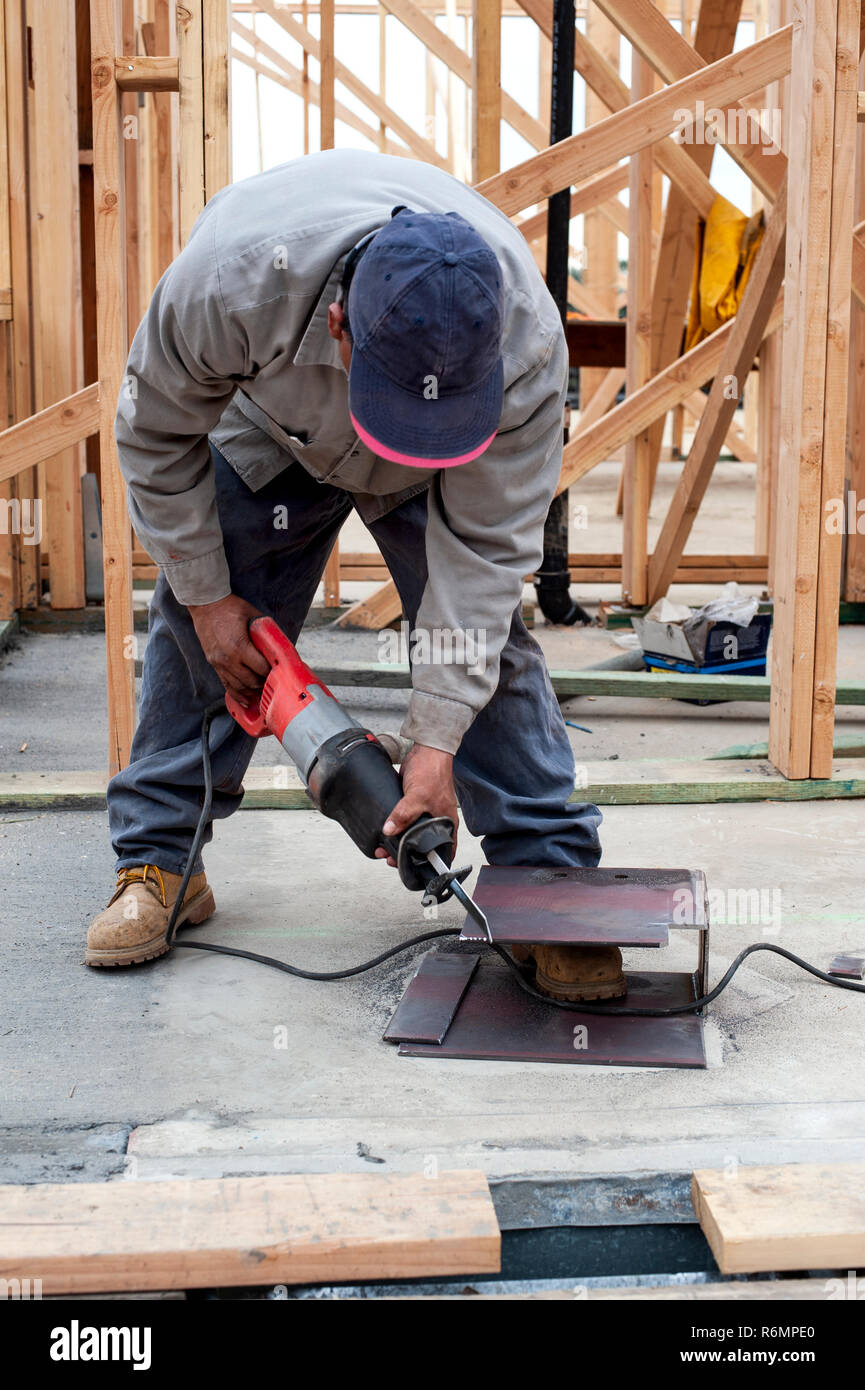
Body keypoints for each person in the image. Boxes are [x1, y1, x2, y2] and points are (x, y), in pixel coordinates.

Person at [85, 149, 617, 1001]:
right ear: (339, 321)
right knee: (201, 639)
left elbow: (481, 565)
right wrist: (210, 596)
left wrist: (435, 739)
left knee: (490, 652)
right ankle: (160, 864)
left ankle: (546, 886)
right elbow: (153, 436)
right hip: (273, 420)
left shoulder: (522, 344)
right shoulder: (232, 283)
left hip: (442, 469)